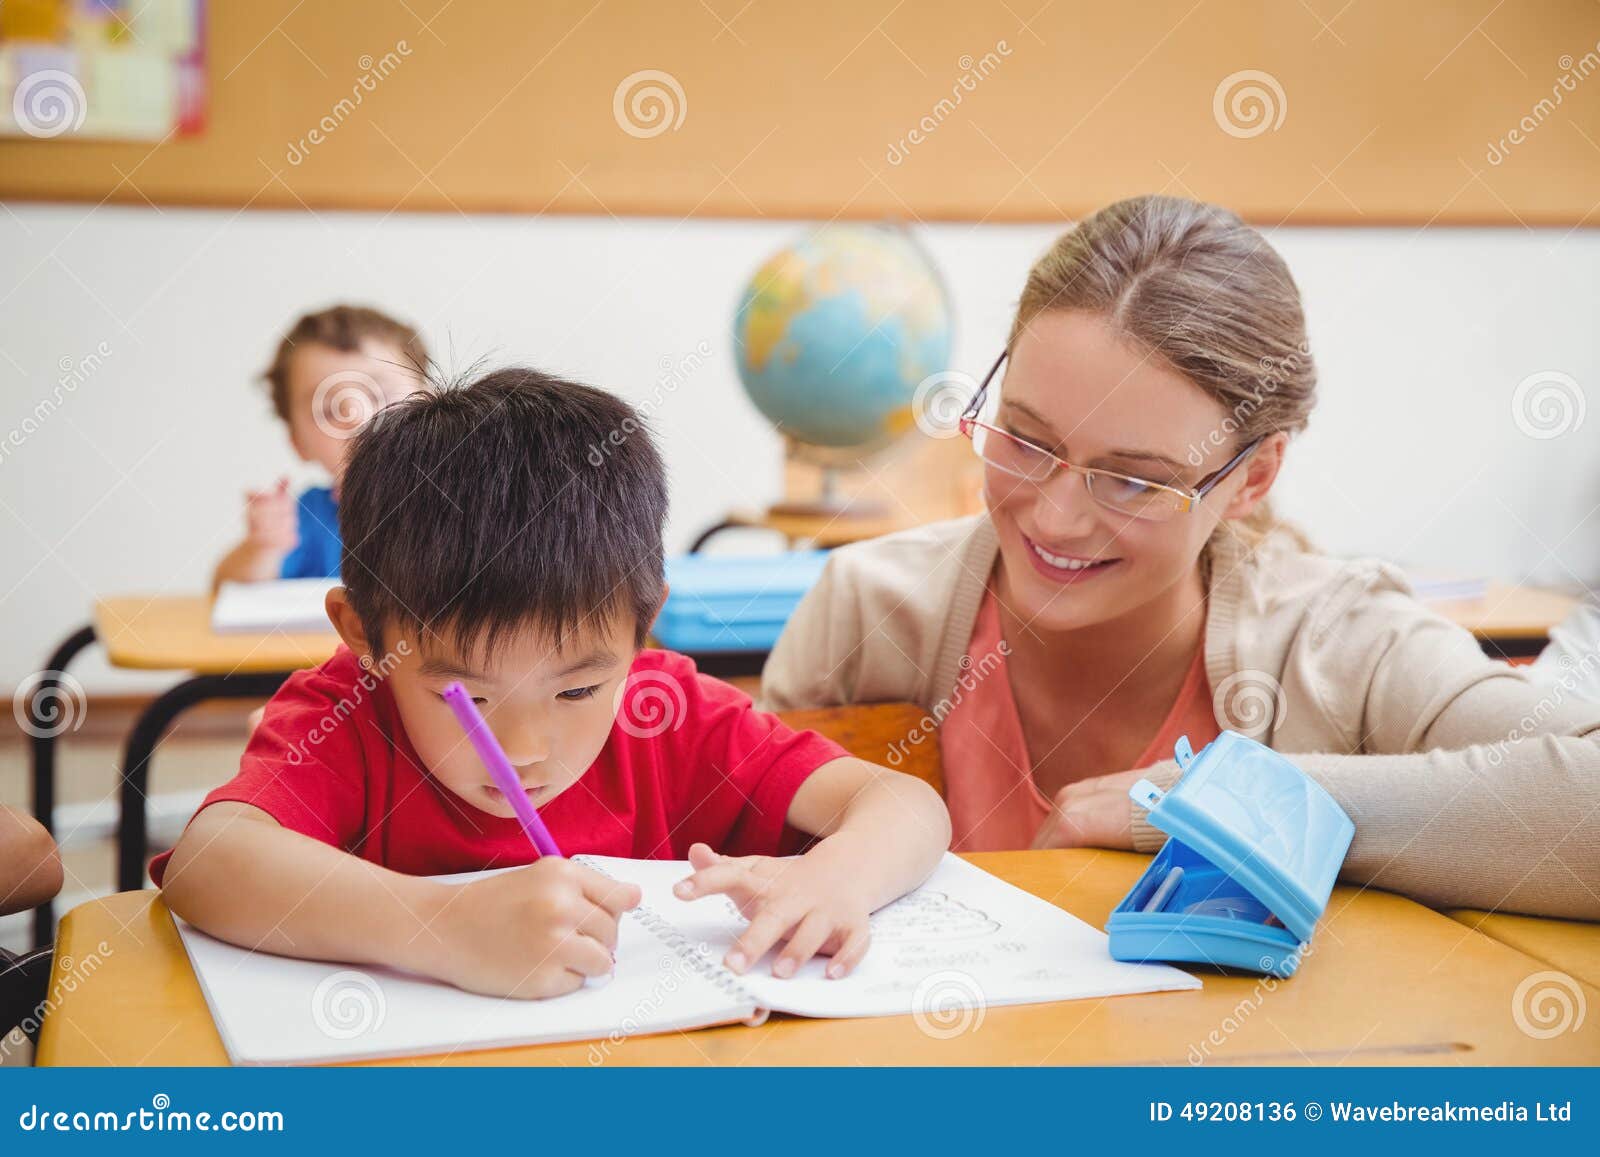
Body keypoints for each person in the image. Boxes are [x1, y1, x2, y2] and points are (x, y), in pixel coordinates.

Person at [762, 194, 1600, 920]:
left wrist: (1218, 805)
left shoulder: (1343, 649)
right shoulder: (868, 612)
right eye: (1023, 437)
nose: (1054, 516)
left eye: (1133, 481)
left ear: (1252, 478)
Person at [161, 368, 951, 998]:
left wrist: (838, 875)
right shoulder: (351, 713)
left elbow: (906, 804)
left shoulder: (661, 709)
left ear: (642, 632)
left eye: (576, 691)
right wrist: (441, 926)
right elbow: (210, 862)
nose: (525, 750)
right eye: (463, 698)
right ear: (366, 636)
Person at [212, 304, 429, 587]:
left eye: (380, 395)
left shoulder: (465, 501)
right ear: (299, 443)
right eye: (328, 409)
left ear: (433, 405)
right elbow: (226, 586)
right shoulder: (309, 518)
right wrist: (264, 549)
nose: (357, 417)